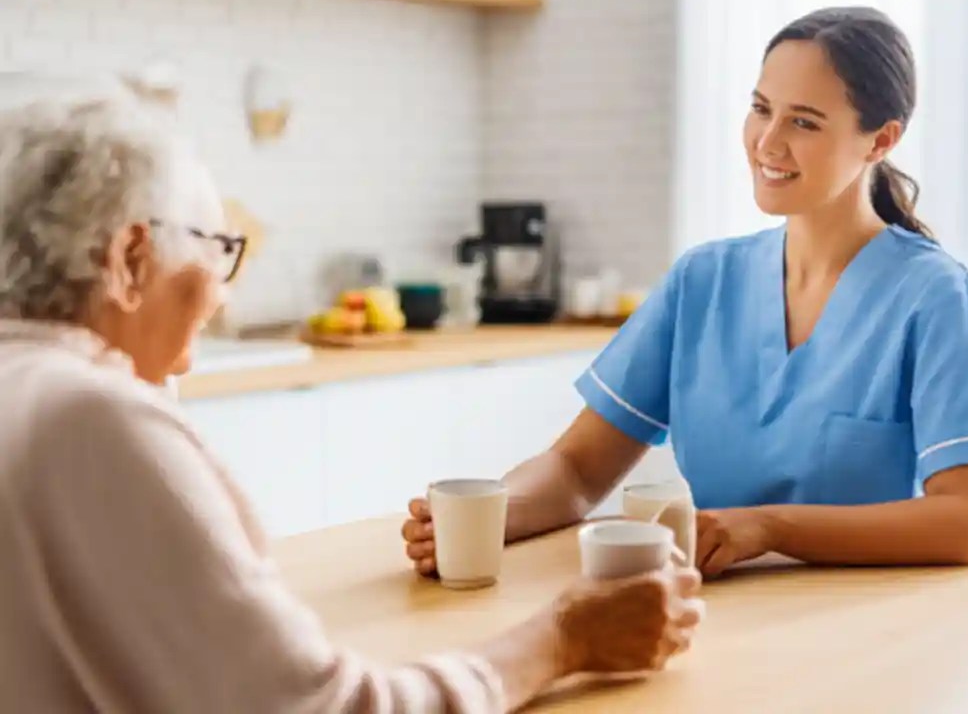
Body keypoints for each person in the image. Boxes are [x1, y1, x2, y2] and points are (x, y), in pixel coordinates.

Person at [0, 82, 702, 713]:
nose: (224, 289)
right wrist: (562, 638)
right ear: (128, 260)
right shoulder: (91, 420)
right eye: (219, 249)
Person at [404, 7, 968, 579]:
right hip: (714, 614)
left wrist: (768, 528)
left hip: (877, 634)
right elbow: (576, 469)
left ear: (880, 141)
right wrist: (496, 513)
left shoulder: (934, 296)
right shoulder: (703, 282)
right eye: (761, 108)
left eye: (803, 121)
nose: (767, 142)